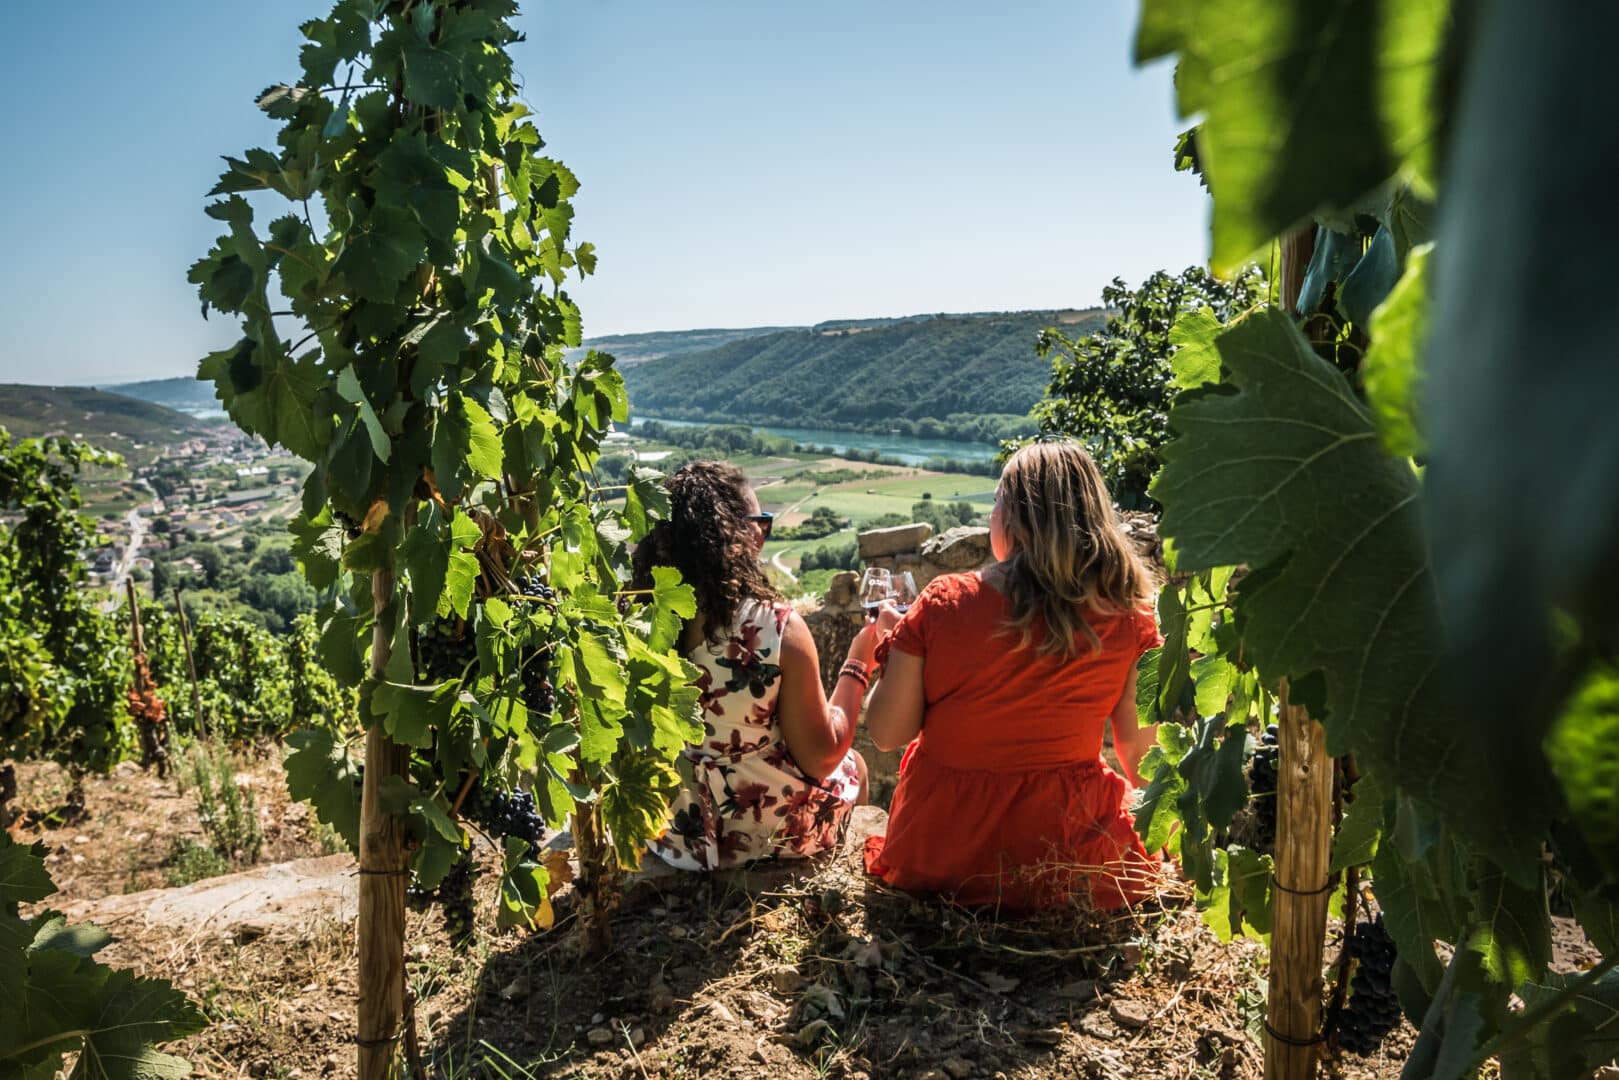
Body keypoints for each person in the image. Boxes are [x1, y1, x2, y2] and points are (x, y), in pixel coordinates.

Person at [859, 440, 1163, 911]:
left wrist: (896, 648)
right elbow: (1142, 762)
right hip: (1069, 858)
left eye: (997, 500)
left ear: (1016, 517)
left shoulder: (945, 603)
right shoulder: (1131, 620)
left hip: (941, 854)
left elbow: (885, 733)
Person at [631, 461, 894, 870]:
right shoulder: (774, 628)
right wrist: (859, 661)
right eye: (762, 523)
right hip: (760, 834)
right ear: (741, 534)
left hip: (674, 832)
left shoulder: (638, 616)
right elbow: (821, 756)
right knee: (851, 765)